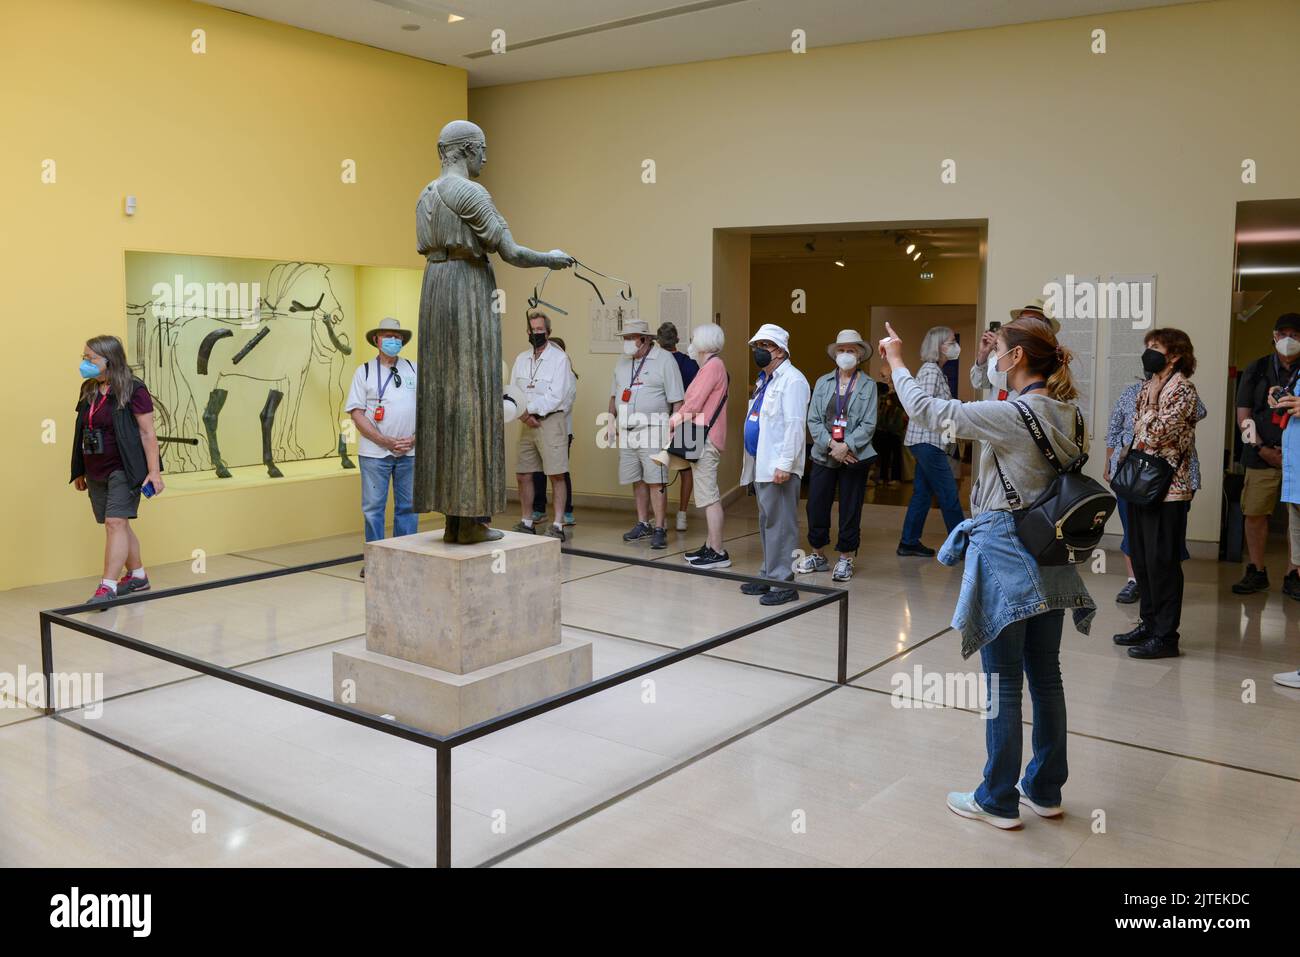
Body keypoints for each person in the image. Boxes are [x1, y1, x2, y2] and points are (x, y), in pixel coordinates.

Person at [881, 315, 1095, 830]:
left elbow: (929, 411)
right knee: (1046, 676)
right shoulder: (1071, 413)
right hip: (1052, 554)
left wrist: (894, 360)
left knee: (1001, 682)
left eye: (998, 349)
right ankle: (1044, 791)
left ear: (1018, 358)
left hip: (1007, 552)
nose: (993, 358)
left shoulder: (1017, 413)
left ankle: (997, 798)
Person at [1111, 328, 1200, 660]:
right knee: (1144, 561)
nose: (1149, 352)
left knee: (1163, 563)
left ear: (1174, 355)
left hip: (1169, 491)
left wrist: (1149, 408)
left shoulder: (1183, 390)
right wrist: (1148, 410)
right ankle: (1148, 624)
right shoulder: (1148, 386)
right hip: (1141, 486)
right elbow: (1137, 430)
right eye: (1147, 346)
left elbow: (1158, 434)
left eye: (1156, 347)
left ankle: (1166, 636)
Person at [71, 335, 164, 606]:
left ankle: (107, 587)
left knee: (115, 523)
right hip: (95, 467)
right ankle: (138, 576)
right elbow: (81, 430)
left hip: (124, 467)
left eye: (90, 358)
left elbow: (147, 433)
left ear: (109, 360)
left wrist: (154, 472)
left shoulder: (134, 389)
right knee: (117, 524)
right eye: (84, 358)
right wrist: (79, 469)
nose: (85, 362)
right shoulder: (88, 389)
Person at [1104, 376, 1206, 603]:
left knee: (1169, 538)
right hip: (1133, 474)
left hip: (1173, 477)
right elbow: (1114, 428)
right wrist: (1109, 464)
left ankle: (1164, 588)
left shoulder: (1183, 392)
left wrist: (1159, 400)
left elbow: (1194, 415)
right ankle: (1135, 582)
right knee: (1133, 532)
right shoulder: (1132, 392)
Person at [796, 330, 877, 582]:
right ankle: (818, 554)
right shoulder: (822, 383)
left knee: (850, 508)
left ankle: (845, 559)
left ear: (860, 355)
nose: (846, 355)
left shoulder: (869, 385)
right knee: (816, 505)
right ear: (835, 354)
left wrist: (846, 446)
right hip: (824, 453)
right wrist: (833, 445)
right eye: (841, 350)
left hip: (854, 455)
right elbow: (813, 419)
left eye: (851, 350)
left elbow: (869, 423)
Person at [739, 323, 810, 606]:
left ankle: (783, 583)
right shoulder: (764, 380)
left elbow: (795, 426)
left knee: (781, 524)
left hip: (779, 466)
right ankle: (768, 573)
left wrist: (785, 464)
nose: (759, 351)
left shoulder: (793, 380)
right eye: (757, 346)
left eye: (765, 346)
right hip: (762, 462)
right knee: (768, 521)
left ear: (780, 350)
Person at [1232, 313, 1300, 595]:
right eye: (1282, 333)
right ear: (1273, 336)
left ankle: (1294, 573)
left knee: (1297, 515)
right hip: (1261, 456)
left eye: (1294, 335)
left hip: (1297, 456)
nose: (1287, 340)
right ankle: (1257, 570)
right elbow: (1243, 416)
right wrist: (1259, 447)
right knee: (1255, 512)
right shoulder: (1257, 368)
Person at [345, 318, 419, 575]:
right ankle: (376, 562)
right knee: (373, 509)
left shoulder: (414, 369)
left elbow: (427, 408)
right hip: (375, 454)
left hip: (410, 452)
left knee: (408, 508)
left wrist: (414, 438)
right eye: (388, 336)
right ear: (376, 340)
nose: (394, 341)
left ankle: (405, 559)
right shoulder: (363, 371)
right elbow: (356, 413)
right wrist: (384, 440)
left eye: (398, 337)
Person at [608, 319, 684, 550]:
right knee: (637, 479)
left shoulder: (664, 360)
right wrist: (611, 421)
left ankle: (659, 527)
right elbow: (614, 396)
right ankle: (643, 523)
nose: (627, 342)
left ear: (645, 339)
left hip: (654, 430)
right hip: (628, 431)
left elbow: (677, 400)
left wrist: (673, 430)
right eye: (625, 338)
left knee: (656, 480)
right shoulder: (622, 363)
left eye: (631, 338)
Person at [898, 326, 966, 556]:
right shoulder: (930, 371)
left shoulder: (937, 371)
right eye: (950, 341)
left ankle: (908, 542)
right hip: (927, 441)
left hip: (929, 441)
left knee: (922, 494)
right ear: (938, 346)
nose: (954, 345)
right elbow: (923, 407)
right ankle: (962, 547)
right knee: (948, 495)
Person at [511, 311, 576, 541]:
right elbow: (513, 392)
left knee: (556, 474)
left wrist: (531, 410)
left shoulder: (559, 359)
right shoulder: (521, 359)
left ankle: (558, 524)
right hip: (526, 422)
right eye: (532, 330)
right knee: (523, 473)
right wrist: (523, 413)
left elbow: (556, 395)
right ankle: (527, 521)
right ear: (527, 332)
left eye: (540, 329)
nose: (536, 333)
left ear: (548, 331)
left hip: (550, 420)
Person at [671, 323, 731, 569]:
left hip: (705, 438)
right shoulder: (711, 366)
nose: (691, 342)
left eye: (694, 338)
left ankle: (717, 551)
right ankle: (709, 545)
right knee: (706, 493)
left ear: (704, 343)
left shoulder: (712, 367)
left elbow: (694, 403)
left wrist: (674, 419)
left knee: (709, 496)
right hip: (702, 436)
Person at [530, 334, 576, 527]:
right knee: (537, 472)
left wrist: (539, 407)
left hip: (559, 429)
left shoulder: (569, 375)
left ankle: (566, 512)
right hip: (538, 425)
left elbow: (562, 401)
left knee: (559, 473)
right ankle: (539, 509)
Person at [658, 321, 699, 532]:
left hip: (661, 420)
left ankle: (660, 518)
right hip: (688, 420)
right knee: (686, 469)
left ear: (657, 341)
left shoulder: (656, 362)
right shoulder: (690, 363)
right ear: (678, 339)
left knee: (658, 470)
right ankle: (682, 514)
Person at [871, 379, 904, 486]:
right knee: (884, 456)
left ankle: (895, 478)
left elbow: (895, 420)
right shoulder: (882, 403)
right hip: (884, 432)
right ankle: (883, 477)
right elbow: (881, 418)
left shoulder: (896, 406)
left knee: (895, 457)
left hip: (894, 433)